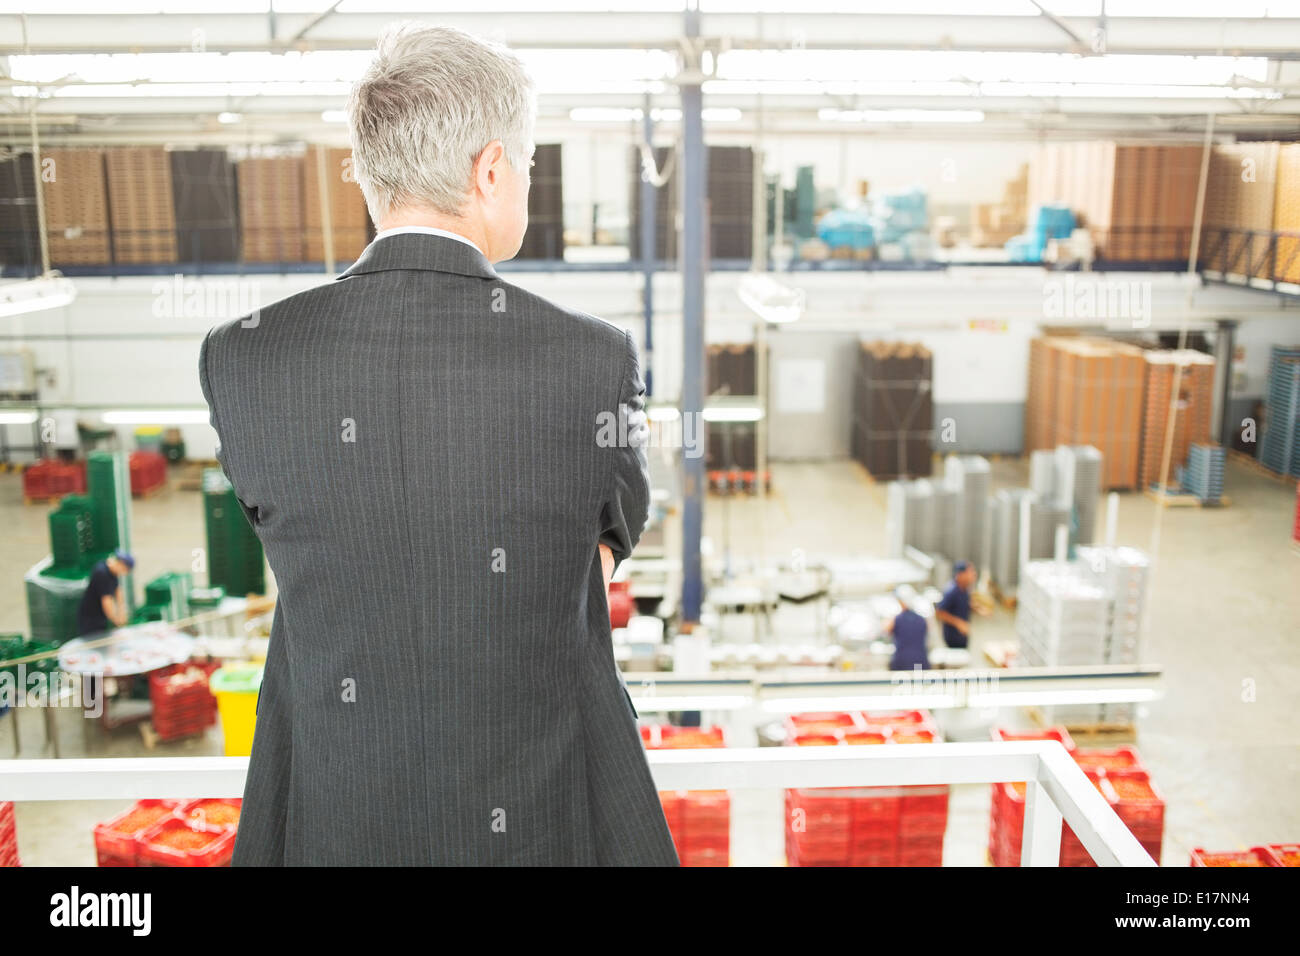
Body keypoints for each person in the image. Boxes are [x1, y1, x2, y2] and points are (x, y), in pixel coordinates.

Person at [199, 24, 676, 866]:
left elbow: (294, 533)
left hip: (332, 816)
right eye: (527, 166)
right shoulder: (592, 359)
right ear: (491, 169)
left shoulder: (243, 358)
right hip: (543, 821)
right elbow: (607, 537)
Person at [75, 550, 133, 636]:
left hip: (101, 616)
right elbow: (106, 600)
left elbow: (118, 591)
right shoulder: (102, 573)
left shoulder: (114, 572)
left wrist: (122, 611)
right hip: (91, 617)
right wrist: (116, 620)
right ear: (122, 565)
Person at [935, 560, 978, 649]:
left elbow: (963, 603)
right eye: (970, 572)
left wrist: (976, 608)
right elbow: (940, 613)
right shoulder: (951, 592)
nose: (974, 574)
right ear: (960, 574)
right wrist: (959, 623)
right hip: (953, 637)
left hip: (963, 635)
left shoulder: (965, 588)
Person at [885, 586, 929, 672]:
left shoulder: (897, 619)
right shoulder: (922, 620)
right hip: (920, 661)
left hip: (902, 661)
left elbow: (886, 630)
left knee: (901, 684)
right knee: (918, 684)